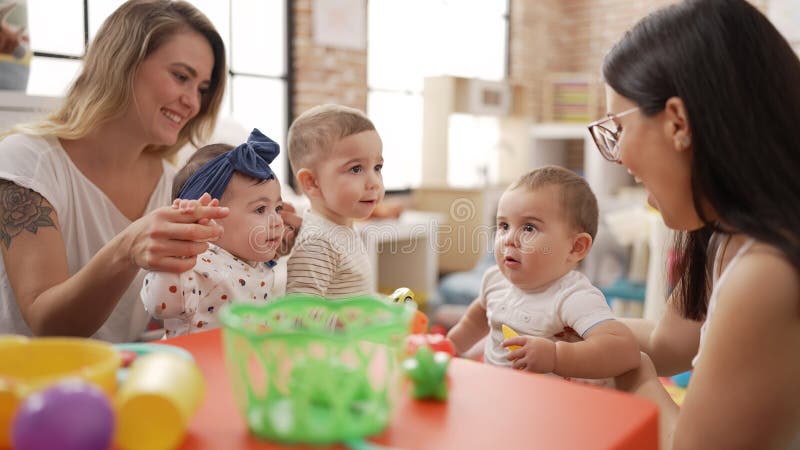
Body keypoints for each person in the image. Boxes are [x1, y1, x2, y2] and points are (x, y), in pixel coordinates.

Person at [588, 0, 800, 447]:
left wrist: (627, 367)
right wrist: (561, 319)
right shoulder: (724, 233)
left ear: (679, 123)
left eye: (617, 129)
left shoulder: (767, 272)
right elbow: (668, 342)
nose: (620, 155)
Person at [0, 0, 233, 342]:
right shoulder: (26, 162)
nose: (193, 102)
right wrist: (128, 247)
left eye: (201, 88)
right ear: (122, 64)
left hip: (119, 380)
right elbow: (48, 325)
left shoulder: (172, 184)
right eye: (181, 76)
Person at [447, 166, 640, 385]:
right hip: (499, 396)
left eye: (529, 228)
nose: (509, 238)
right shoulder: (495, 280)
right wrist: (449, 346)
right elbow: (477, 318)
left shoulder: (572, 296)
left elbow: (625, 350)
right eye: (504, 226)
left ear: (575, 247)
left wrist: (556, 356)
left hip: (552, 409)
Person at [141, 129, 286, 337]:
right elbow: (161, 305)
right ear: (209, 217)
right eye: (261, 210)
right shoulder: (199, 265)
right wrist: (178, 253)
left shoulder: (255, 261)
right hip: (195, 363)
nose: (278, 221)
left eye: (278, 209)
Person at [285, 104, 384, 299]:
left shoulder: (341, 229)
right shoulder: (317, 243)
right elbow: (300, 316)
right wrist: (358, 319)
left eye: (377, 167)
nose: (374, 183)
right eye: (356, 169)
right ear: (312, 182)